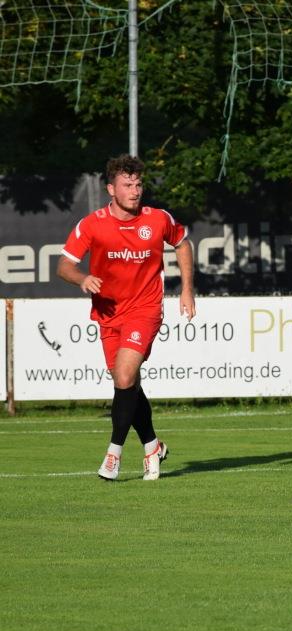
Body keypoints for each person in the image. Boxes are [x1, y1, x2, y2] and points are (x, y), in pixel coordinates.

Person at [57, 154, 195, 481]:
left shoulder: (158, 218)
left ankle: (113, 454)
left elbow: (183, 243)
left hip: (145, 310)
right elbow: (64, 266)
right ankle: (152, 446)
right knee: (128, 383)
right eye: (127, 185)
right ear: (111, 189)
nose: (135, 191)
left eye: (138, 184)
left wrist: (187, 288)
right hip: (107, 314)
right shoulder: (92, 224)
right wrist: (81, 279)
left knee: (123, 377)